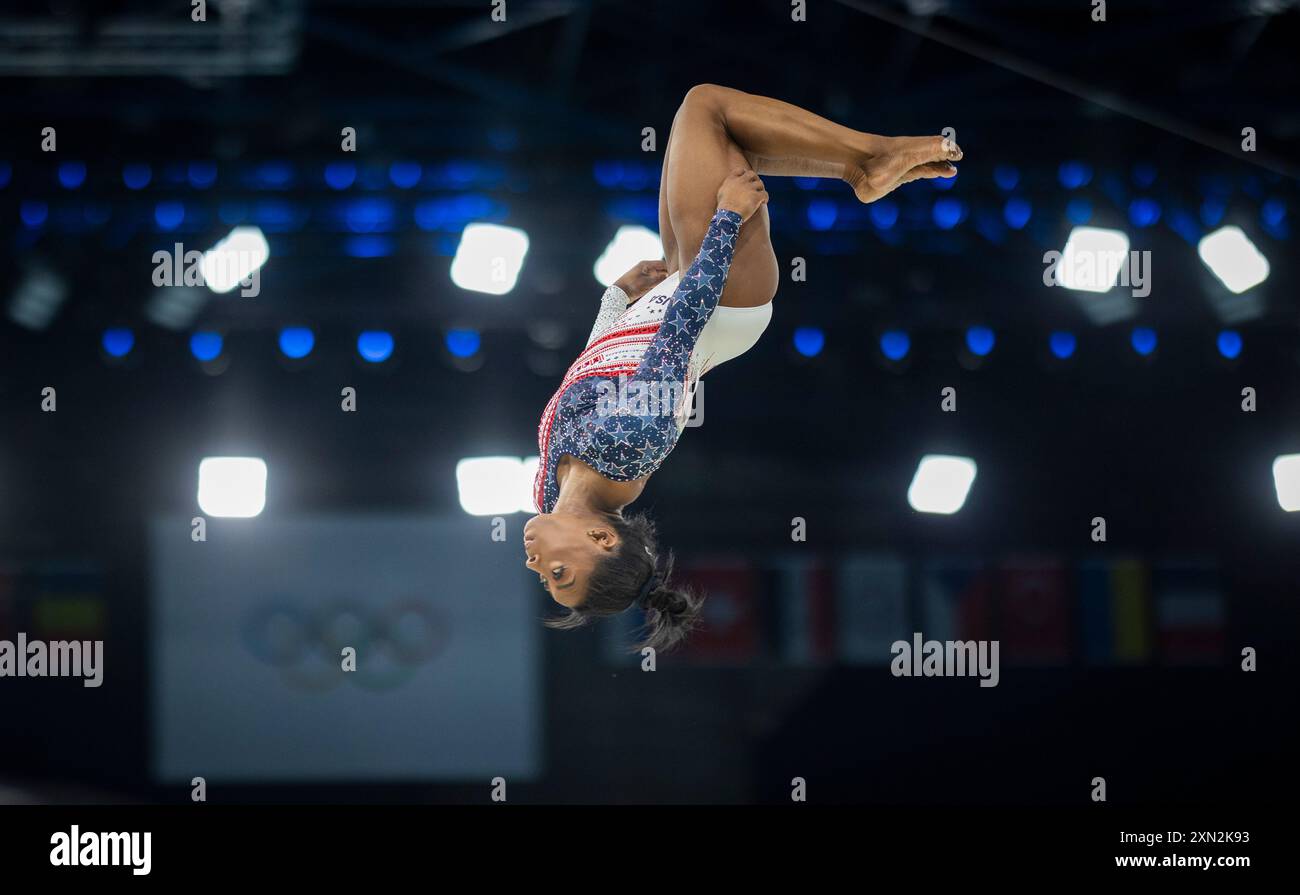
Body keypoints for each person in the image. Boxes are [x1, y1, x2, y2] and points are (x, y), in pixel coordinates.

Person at [526, 84, 962, 651]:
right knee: (706, 109)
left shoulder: (546, 492)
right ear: (601, 539)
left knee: (731, 143)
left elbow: (583, 379)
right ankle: (870, 159)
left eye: (546, 580)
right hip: (721, 304)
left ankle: (865, 166)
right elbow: (681, 330)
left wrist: (614, 300)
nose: (539, 567)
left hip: (666, 305)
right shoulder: (628, 448)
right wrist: (726, 224)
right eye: (560, 573)